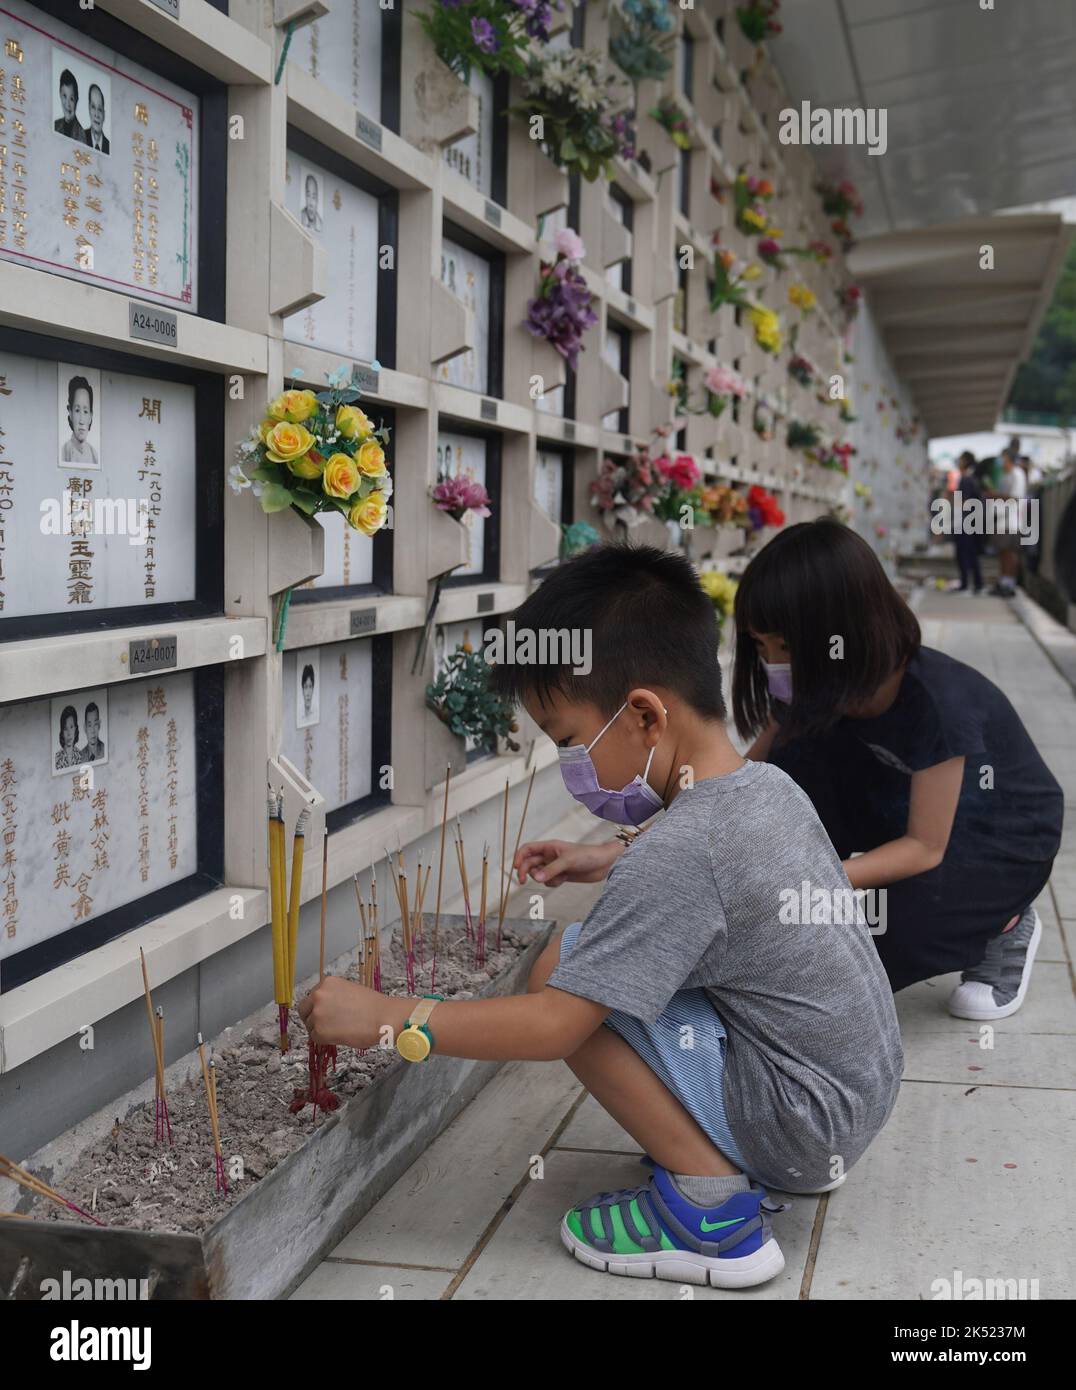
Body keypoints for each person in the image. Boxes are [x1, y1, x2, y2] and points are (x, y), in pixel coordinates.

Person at [301, 544, 904, 1290]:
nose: (569, 764)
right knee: (593, 961)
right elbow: (722, 885)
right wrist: (606, 859)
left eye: (567, 740)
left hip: (804, 1126)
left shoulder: (681, 855)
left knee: (567, 974)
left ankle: (709, 1215)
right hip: (853, 1094)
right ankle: (734, 1151)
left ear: (645, 714)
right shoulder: (766, 785)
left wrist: (386, 1018)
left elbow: (552, 1028)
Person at [731, 519, 1062, 1015]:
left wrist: (813, 881)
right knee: (786, 767)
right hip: (897, 805)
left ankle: (1003, 922)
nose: (773, 664)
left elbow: (925, 847)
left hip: (995, 840)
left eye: (786, 647)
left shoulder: (937, 702)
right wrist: (634, 848)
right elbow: (739, 785)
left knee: (864, 947)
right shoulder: (823, 689)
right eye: (761, 647)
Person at [987, 449, 1028, 596]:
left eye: (1003, 459)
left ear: (1009, 460)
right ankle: (1003, 581)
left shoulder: (1017, 474)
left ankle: (1010, 584)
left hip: (1012, 521)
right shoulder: (1006, 476)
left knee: (1010, 553)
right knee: (1003, 552)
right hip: (1001, 520)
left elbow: (1015, 497)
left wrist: (995, 495)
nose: (1001, 463)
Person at [951, 450, 983, 594]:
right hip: (970, 521)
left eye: (961, 459)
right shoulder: (970, 478)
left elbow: (965, 501)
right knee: (969, 553)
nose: (959, 461)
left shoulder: (967, 479)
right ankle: (976, 583)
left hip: (966, 521)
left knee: (964, 553)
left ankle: (968, 583)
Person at [61, 375, 99, 467]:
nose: (81, 421)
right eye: (77, 410)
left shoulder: (94, 455)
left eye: (86, 411)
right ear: (70, 413)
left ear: (91, 416)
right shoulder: (64, 452)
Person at [54, 69, 87, 142]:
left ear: (76, 100)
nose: (67, 104)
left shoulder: (82, 135)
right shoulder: (55, 125)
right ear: (60, 95)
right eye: (64, 96)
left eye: (71, 99)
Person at [55, 705, 83, 771]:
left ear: (75, 729)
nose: (69, 733)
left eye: (71, 727)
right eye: (65, 728)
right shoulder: (56, 758)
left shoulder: (81, 755)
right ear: (62, 732)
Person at [84, 84, 109, 155]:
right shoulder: (80, 138)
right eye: (93, 107)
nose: (96, 114)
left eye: (100, 109)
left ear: (104, 115)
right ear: (89, 110)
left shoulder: (109, 146)